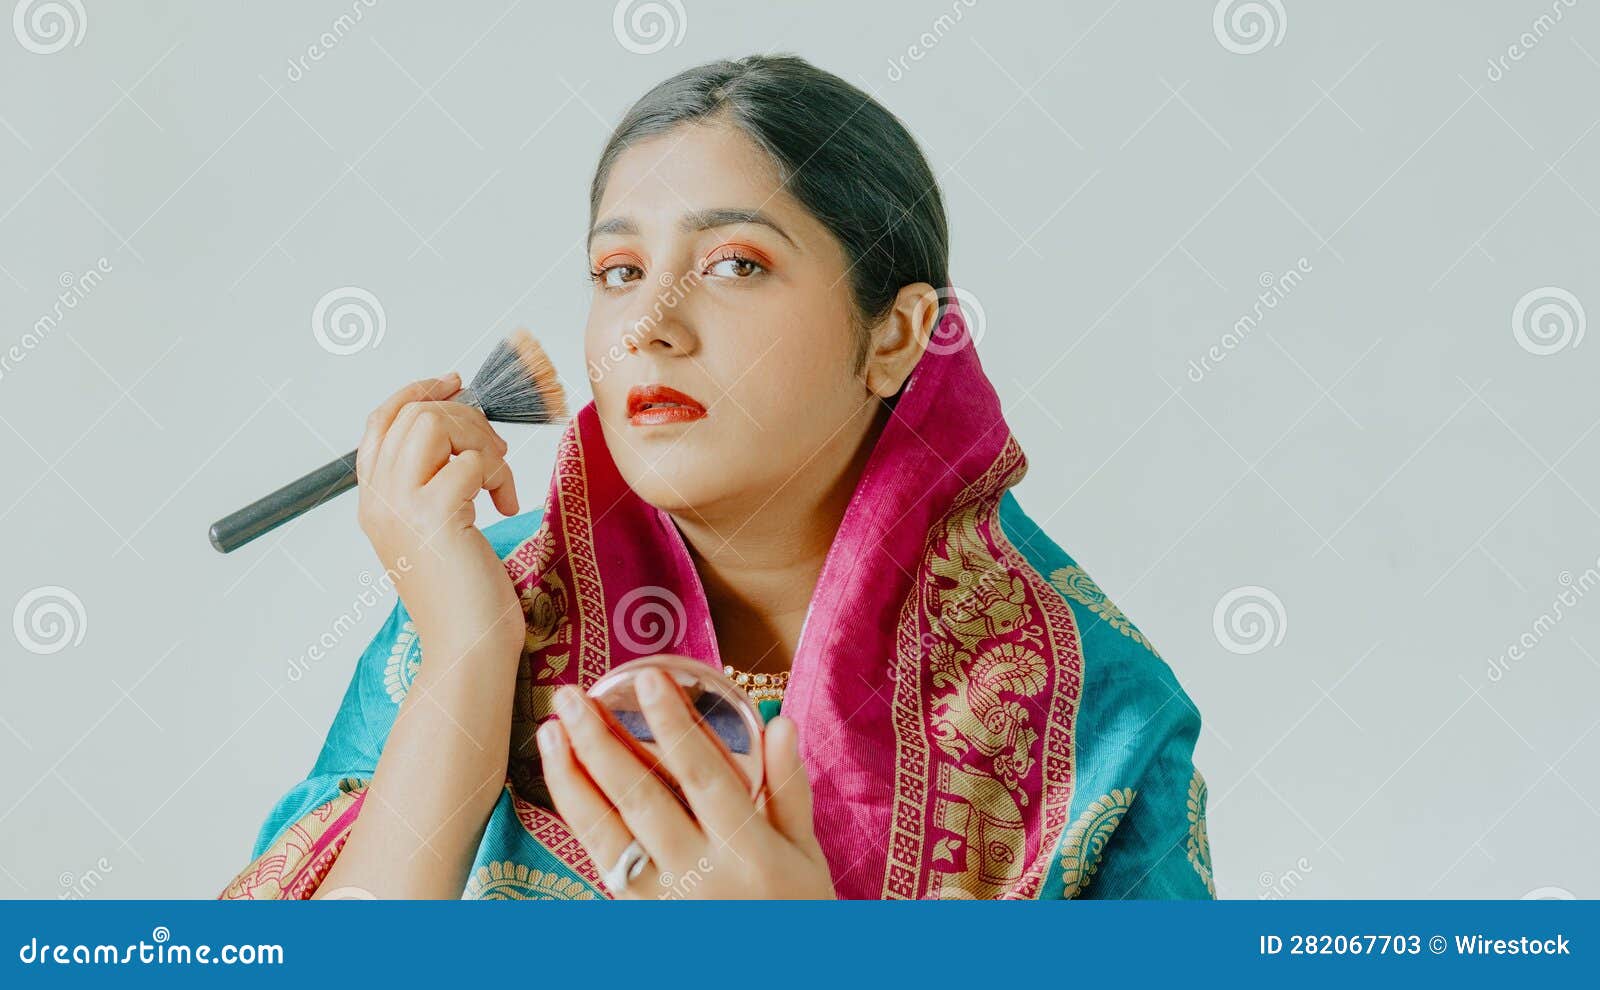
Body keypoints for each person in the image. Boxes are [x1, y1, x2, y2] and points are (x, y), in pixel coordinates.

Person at [220, 53, 1215, 901]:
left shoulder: (1094, 720)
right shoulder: (471, 609)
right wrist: (468, 656)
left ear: (895, 335)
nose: (650, 322)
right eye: (617, 271)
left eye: (735, 264)